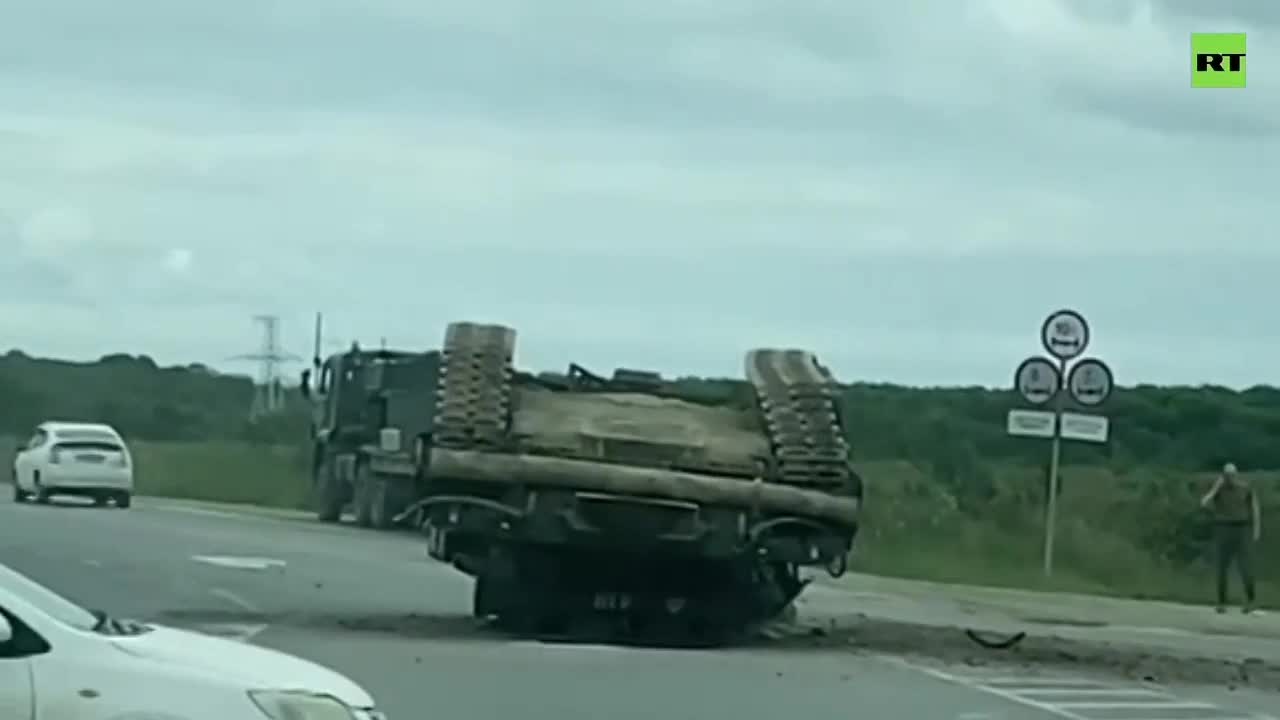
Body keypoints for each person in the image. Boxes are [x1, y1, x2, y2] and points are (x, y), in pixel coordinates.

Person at [1200, 462, 1261, 614]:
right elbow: (1204, 503)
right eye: (1226, 476)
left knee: (1246, 567)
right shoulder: (1219, 490)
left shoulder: (1245, 488)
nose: (1229, 478)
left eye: (1231, 475)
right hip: (1224, 528)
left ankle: (1251, 601)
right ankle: (1222, 602)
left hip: (1242, 528)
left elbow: (1254, 509)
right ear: (1223, 476)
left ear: (1236, 475)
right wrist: (1215, 489)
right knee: (1222, 568)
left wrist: (1256, 530)